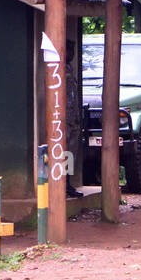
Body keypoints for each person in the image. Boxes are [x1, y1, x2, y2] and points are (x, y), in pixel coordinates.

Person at [65, 41, 83, 198]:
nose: (72, 54)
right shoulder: (59, 70)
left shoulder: (70, 69)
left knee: (71, 153)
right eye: (69, 50)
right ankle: (62, 184)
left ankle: (67, 183)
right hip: (64, 121)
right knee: (64, 152)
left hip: (73, 120)